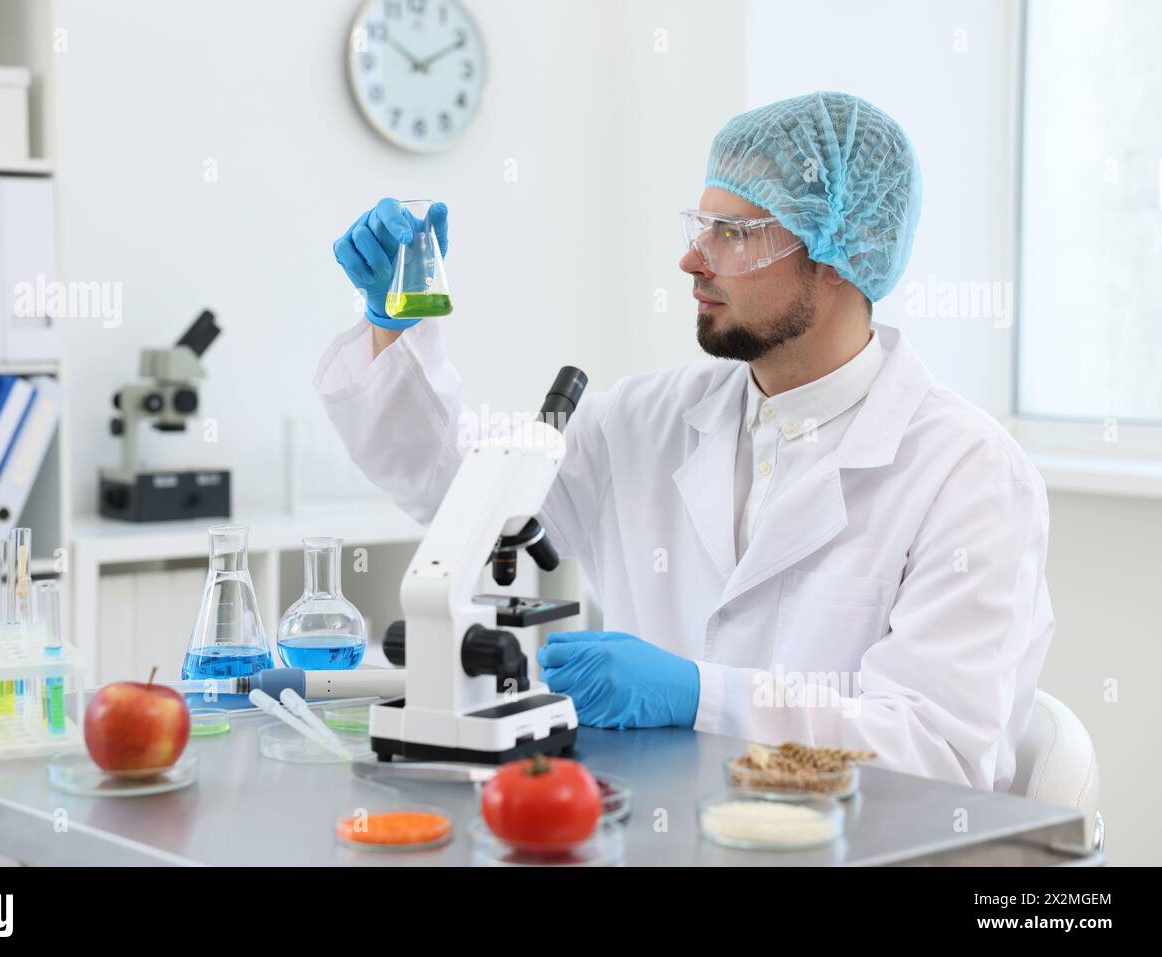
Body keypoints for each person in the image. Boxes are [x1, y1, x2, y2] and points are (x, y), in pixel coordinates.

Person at [317, 91, 1053, 791]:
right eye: (701, 226)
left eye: (732, 234)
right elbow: (463, 492)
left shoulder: (968, 473)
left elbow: (937, 750)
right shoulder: (647, 418)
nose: (693, 258)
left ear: (835, 255)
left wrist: (702, 696)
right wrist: (395, 327)